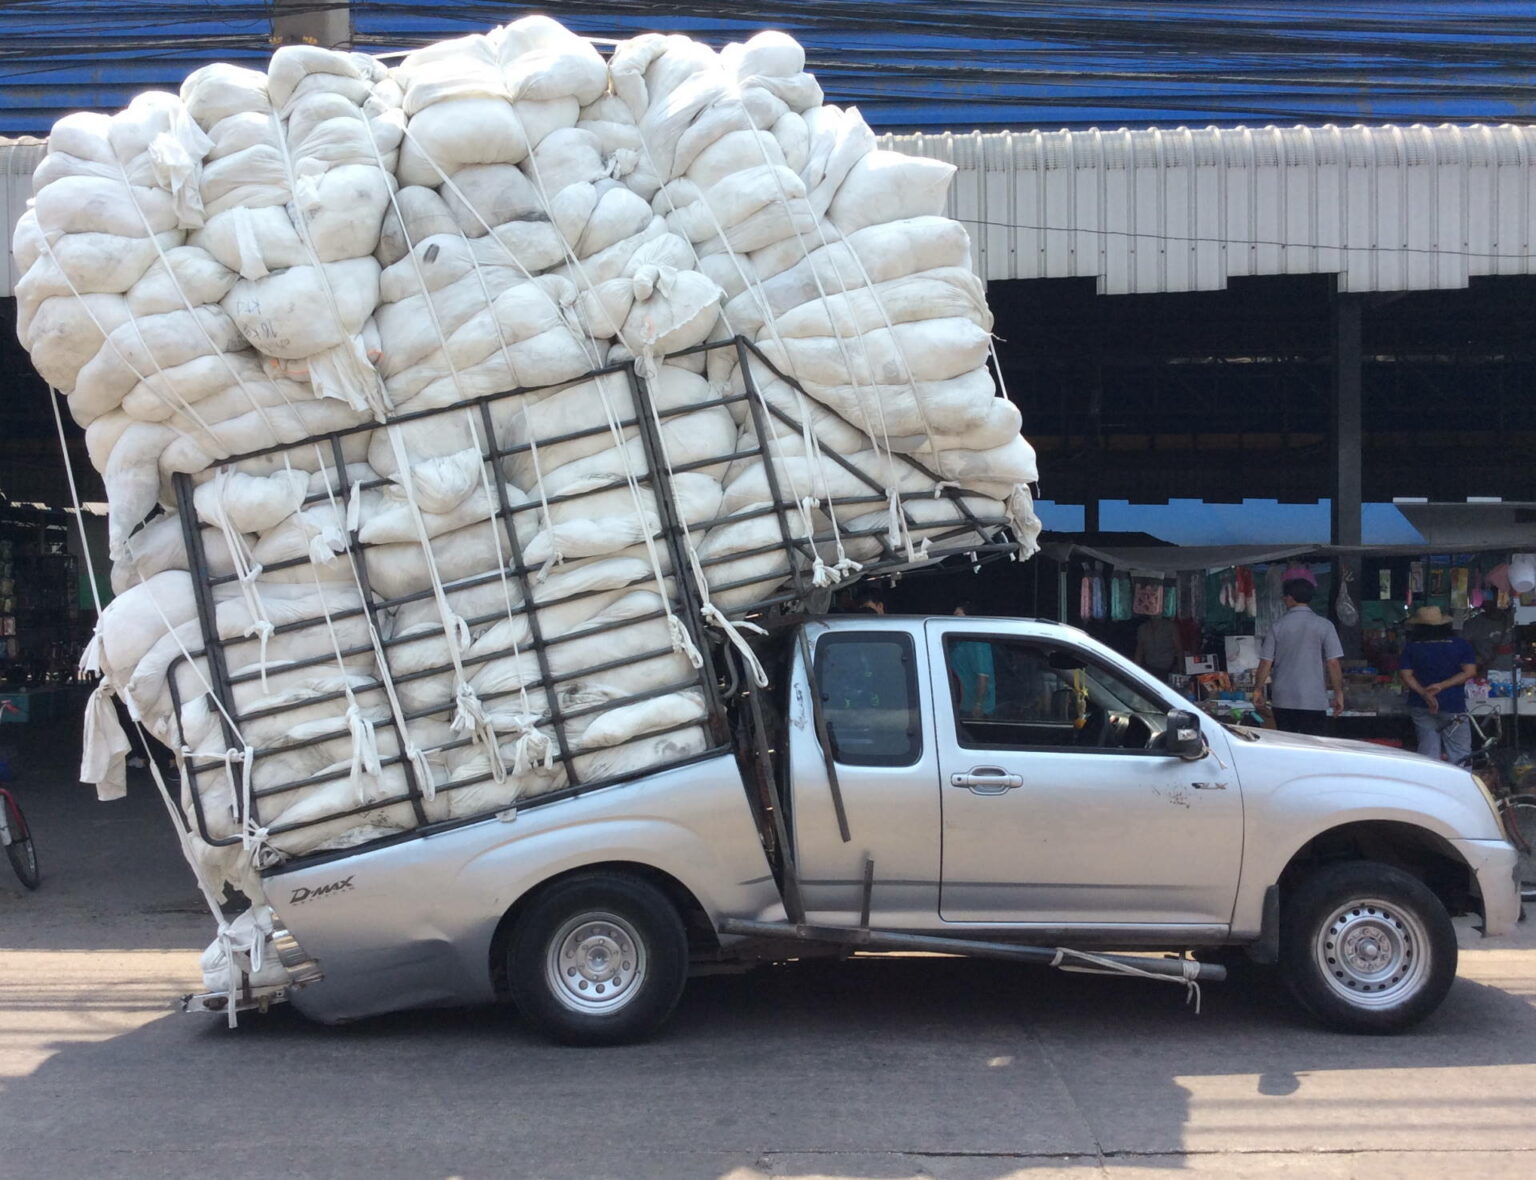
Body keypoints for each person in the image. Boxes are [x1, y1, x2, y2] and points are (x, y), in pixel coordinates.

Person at [1251, 577, 1345, 735]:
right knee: (1313, 745)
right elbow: (1333, 663)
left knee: (1287, 744)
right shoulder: (1325, 625)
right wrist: (1339, 693)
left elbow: (1266, 662)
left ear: (1290, 598)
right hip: (1314, 700)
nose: (1283, 600)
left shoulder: (1278, 626)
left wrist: (1258, 690)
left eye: (1284, 597)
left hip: (1283, 700)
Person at [1398, 605, 1478, 764]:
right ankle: (1460, 780)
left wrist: (1424, 693)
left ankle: (1430, 779)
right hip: (1453, 704)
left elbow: (1406, 675)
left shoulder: (1412, 647)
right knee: (1459, 752)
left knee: (1428, 752)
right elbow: (1469, 672)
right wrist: (1441, 686)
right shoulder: (1460, 645)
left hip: (1421, 704)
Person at [949, 602, 995, 717]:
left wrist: (978, 705)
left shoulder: (978, 642)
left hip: (974, 709)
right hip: (961, 704)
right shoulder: (958, 641)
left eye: (957, 615)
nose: (953, 619)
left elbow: (983, 677)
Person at [1133, 614, 1184, 679]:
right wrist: (1135, 672)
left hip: (1168, 669)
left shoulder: (1171, 626)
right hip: (1150, 669)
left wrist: (1181, 669)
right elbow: (1139, 652)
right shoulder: (1142, 628)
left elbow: (1179, 649)